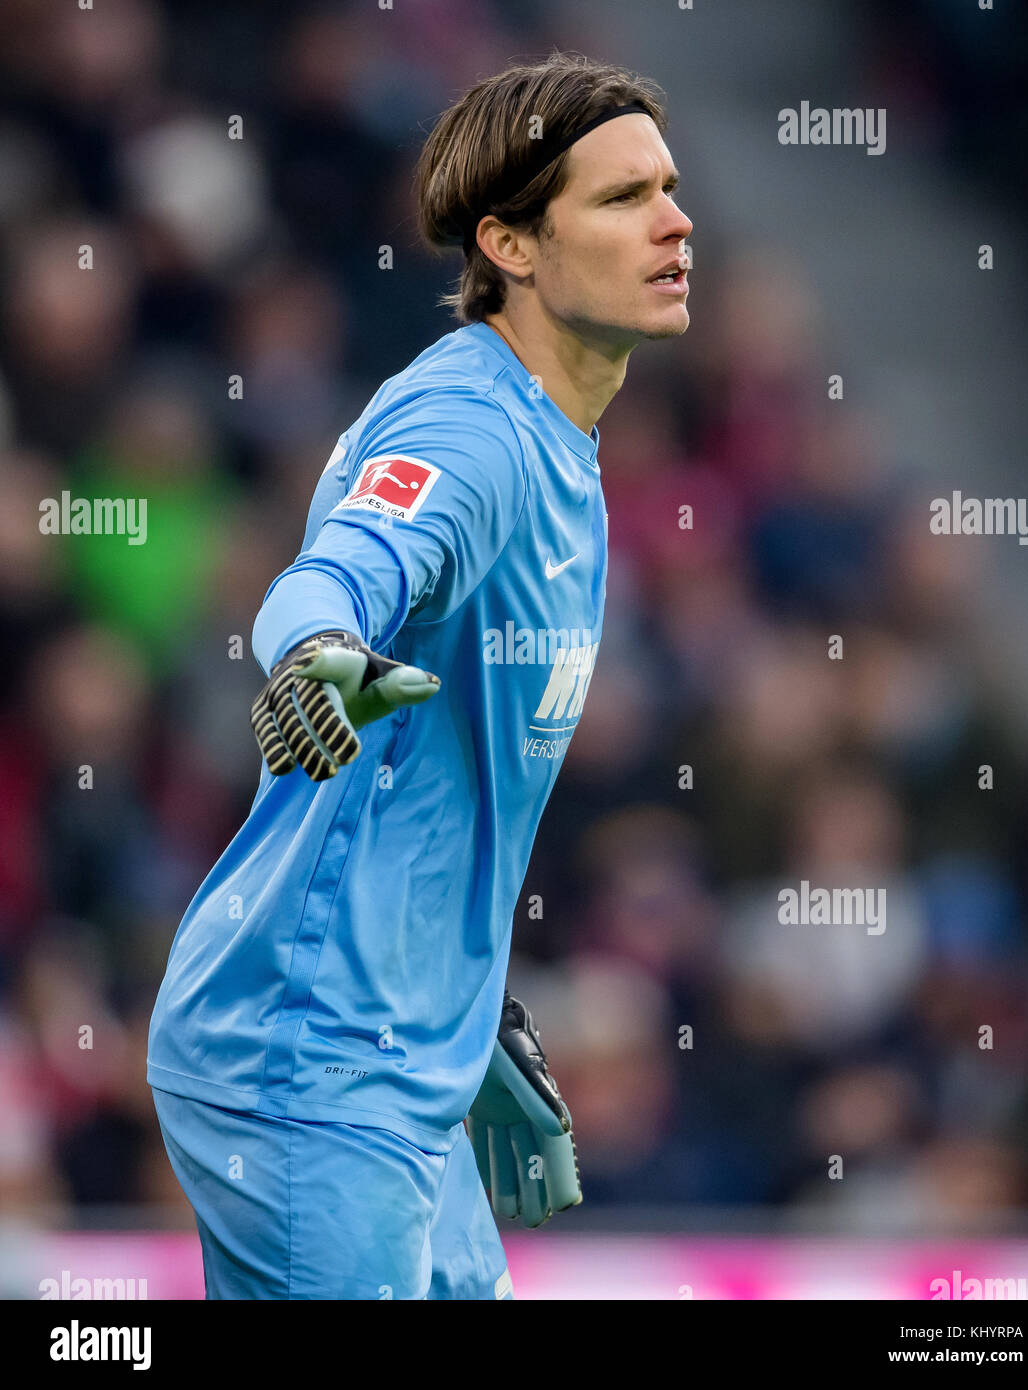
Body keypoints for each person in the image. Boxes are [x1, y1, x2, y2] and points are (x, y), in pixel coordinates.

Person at [147, 50, 693, 1300]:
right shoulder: (473, 429)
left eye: (667, 187)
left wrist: (469, 995)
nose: (674, 221)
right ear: (509, 242)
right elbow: (333, 576)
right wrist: (314, 656)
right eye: (620, 198)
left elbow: (440, 793)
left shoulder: (558, 435)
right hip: (308, 1057)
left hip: (400, 1052)